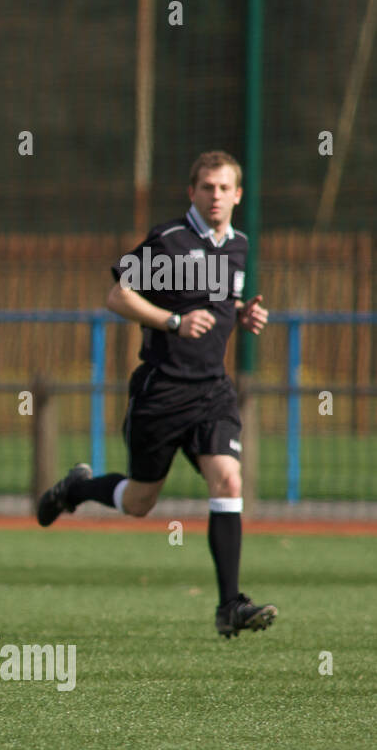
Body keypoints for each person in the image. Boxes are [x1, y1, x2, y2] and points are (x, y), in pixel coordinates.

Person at [36, 150, 276, 639]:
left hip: (213, 391)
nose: (215, 196)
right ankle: (77, 489)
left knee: (228, 481)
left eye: (224, 187)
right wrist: (173, 321)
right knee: (142, 502)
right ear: (192, 191)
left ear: (238, 195)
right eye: (206, 187)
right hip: (162, 392)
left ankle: (229, 605)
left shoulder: (239, 246)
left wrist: (242, 313)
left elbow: (220, 298)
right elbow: (117, 296)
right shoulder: (169, 242)